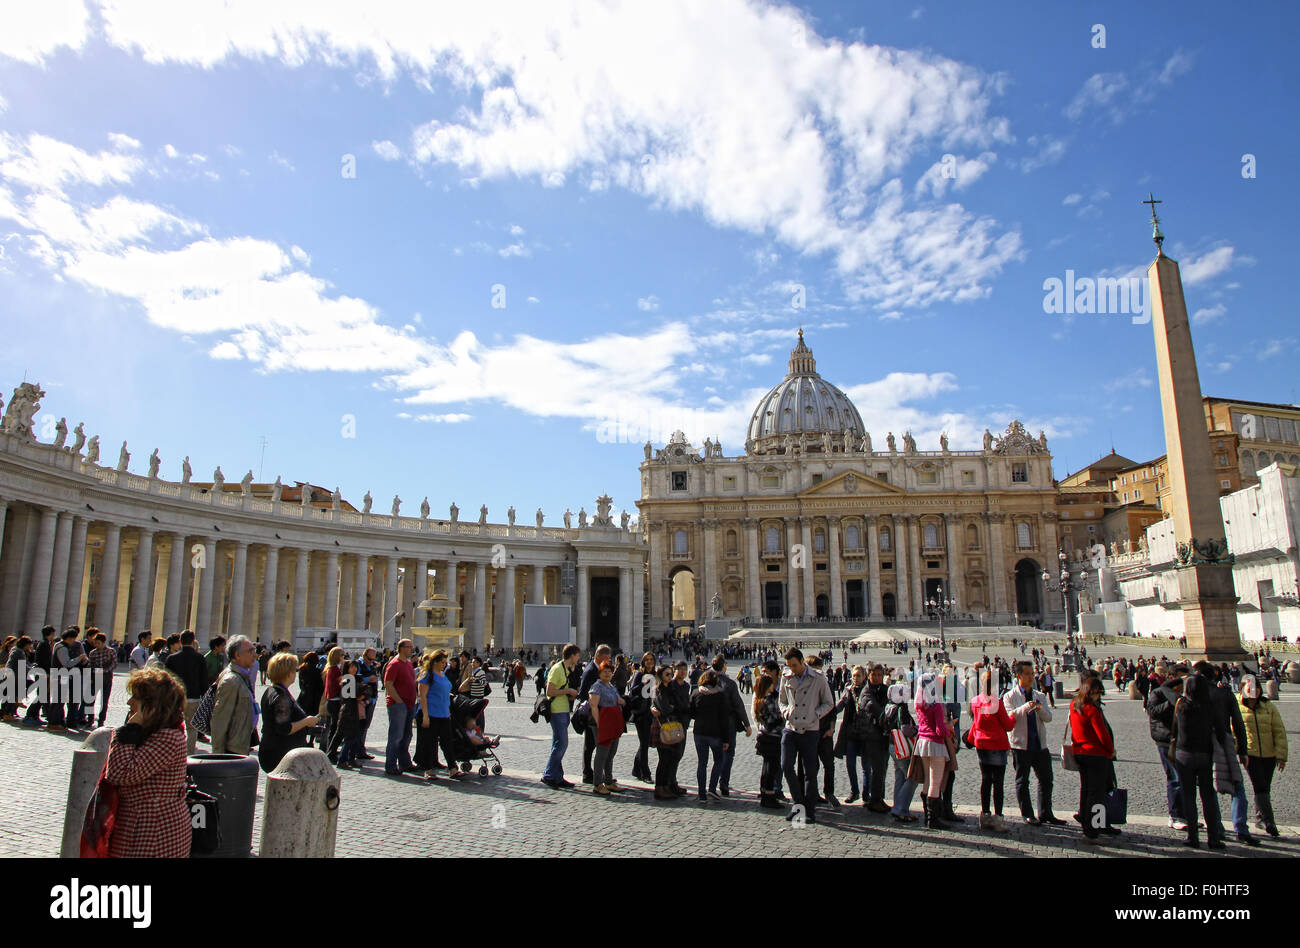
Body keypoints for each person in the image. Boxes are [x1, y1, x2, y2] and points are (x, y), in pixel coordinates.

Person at [103, 667, 191, 857]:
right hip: (139, 824)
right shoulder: (155, 732)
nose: (129, 702)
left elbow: (119, 773)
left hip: (153, 829)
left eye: (135, 697)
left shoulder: (168, 738)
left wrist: (129, 730)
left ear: (152, 705)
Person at [1195, 661, 1258, 846]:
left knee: (1208, 788)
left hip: (1204, 746)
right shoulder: (1225, 693)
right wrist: (1243, 750)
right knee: (1237, 785)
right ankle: (1241, 829)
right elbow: (1238, 723)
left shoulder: (1193, 696)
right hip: (1225, 742)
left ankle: (1217, 827)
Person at [1171, 671, 1228, 849]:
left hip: (1184, 754)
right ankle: (1213, 838)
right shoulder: (1210, 706)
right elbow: (1220, 730)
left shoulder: (1181, 705)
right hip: (1204, 754)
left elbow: (1174, 730)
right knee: (1208, 796)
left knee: (1188, 796)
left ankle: (1193, 837)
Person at [1004, 659, 1064, 826]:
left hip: (1039, 744)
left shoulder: (1040, 696)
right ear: (1019, 676)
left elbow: (1048, 718)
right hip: (1020, 745)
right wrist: (1025, 707)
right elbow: (1010, 717)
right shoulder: (1009, 696)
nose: (1032, 677)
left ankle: (1046, 813)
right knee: (1022, 781)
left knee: (1046, 779)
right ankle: (1028, 814)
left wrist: (1041, 709)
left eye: (1032, 674)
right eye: (1028, 674)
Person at [778, 647, 834, 824]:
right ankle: (798, 804)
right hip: (791, 727)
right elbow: (781, 700)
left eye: (794, 665)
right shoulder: (786, 676)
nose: (792, 669)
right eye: (789, 665)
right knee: (786, 766)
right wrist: (786, 712)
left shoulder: (818, 678)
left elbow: (829, 703)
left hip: (810, 729)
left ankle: (808, 811)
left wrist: (814, 715)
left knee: (810, 772)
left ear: (802, 661)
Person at [1237, 673, 1287, 838]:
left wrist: (1281, 756)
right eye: (1249, 688)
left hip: (1269, 754)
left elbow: (1279, 731)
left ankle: (1260, 816)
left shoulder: (1268, 706)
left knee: (1265, 786)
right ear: (1243, 689)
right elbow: (1233, 730)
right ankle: (1268, 821)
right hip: (1251, 754)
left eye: (1256, 688)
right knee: (1260, 786)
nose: (1253, 691)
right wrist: (1240, 751)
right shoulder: (1237, 706)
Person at [1069, 676, 1116, 844]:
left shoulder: (1074, 705)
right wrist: (1111, 751)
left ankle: (1086, 825)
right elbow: (1102, 734)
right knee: (1096, 795)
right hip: (1096, 755)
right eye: (1098, 693)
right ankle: (1092, 832)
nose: (1099, 697)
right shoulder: (1092, 710)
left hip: (1080, 753)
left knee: (1086, 790)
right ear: (1092, 692)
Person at [969, 666, 1016, 832]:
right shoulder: (997, 702)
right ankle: (998, 818)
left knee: (985, 780)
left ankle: (985, 816)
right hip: (996, 744)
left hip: (981, 744)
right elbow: (1008, 725)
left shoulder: (975, 701)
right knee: (998, 783)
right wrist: (1014, 715)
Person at [258, 652, 319, 772]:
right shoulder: (281, 697)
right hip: (280, 753)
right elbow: (284, 728)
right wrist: (306, 721)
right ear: (288, 673)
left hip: (274, 749)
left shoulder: (271, 690)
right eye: (294, 670)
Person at [1146, 664, 1187, 830]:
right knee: (1175, 777)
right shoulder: (1157, 693)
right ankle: (1176, 815)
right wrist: (1172, 703)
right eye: (1181, 678)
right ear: (1171, 678)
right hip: (1166, 741)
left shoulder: (1184, 695)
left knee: (1185, 779)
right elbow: (1153, 712)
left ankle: (1186, 815)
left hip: (1183, 741)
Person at [913, 670, 953, 829]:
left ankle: (927, 816)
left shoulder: (918, 703)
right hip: (935, 744)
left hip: (922, 743)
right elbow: (940, 731)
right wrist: (948, 729)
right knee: (935, 783)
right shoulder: (935, 705)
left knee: (927, 782)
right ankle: (932, 819)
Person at [209, 635, 260, 755]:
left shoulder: (242, 676)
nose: (255, 654)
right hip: (232, 751)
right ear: (237, 655)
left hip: (239, 746)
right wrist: (219, 757)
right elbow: (219, 721)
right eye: (250, 651)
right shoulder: (231, 680)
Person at [541, 645, 582, 789]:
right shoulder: (557, 669)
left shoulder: (566, 669)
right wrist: (568, 690)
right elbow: (550, 691)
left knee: (557, 744)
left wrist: (570, 694)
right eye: (577, 655)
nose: (578, 658)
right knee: (562, 744)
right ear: (572, 655)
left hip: (563, 710)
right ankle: (548, 775)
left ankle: (558, 777)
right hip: (556, 710)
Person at [414, 649, 458, 781]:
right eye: (442, 662)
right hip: (430, 713)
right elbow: (422, 697)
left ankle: (453, 768)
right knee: (430, 743)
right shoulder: (426, 675)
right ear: (435, 662)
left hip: (444, 713)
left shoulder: (442, 674)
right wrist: (425, 716)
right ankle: (428, 769)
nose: (445, 665)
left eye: (445, 662)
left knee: (447, 742)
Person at [689, 669, 730, 803]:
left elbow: (692, 713)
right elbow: (724, 718)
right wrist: (726, 739)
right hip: (716, 733)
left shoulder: (696, 693)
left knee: (702, 763)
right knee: (718, 761)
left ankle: (701, 794)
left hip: (699, 732)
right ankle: (712, 788)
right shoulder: (720, 695)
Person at [164, 630, 208, 754]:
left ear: (180, 641)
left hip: (176, 698)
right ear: (193, 641)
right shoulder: (199, 658)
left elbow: (167, 679)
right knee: (192, 728)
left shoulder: (171, 658)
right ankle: (189, 754)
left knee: (173, 726)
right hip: (194, 698)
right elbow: (203, 679)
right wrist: (205, 697)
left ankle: (173, 752)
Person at [712, 655, 751, 796]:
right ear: (724, 666)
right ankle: (723, 783)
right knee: (728, 754)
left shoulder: (705, 681)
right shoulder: (729, 683)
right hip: (728, 724)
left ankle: (711, 785)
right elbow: (739, 706)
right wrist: (747, 724)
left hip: (711, 724)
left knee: (715, 755)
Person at [588, 659, 627, 795]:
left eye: (610, 672)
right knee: (602, 754)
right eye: (605, 672)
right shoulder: (597, 686)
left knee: (611, 753)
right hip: (603, 723)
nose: (608, 674)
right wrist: (600, 724)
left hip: (614, 723)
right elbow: (593, 705)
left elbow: (617, 699)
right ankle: (597, 784)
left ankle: (609, 782)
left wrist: (620, 700)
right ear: (599, 673)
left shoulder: (611, 686)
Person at [883, 682, 920, 823]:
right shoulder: (901, 708)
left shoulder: (888, 706)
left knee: (900, 776)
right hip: (901, 745)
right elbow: (905, 729)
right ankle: (900, 809)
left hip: (892, 745)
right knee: (912, 778)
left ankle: (898, 807)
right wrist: (917, 729)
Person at [651, 665, 689, 800]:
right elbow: (666, 708)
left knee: (670, 758)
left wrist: (672, 707)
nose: (669, 677)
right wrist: (672, 707)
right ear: (661, 676)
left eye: (670, 674)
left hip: (672, 726)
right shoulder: (658, 689)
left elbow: (676, 705)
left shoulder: (670, 689)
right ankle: (659, 788)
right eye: (667, 674)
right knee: (663, 759)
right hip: (664, 727)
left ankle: (666, 786)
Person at [577, 644, 613, 784]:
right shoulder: (590, 671)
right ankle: (587, 773)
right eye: (607, 658)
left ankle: (593, 772)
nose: (609, 661)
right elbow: (584, 693)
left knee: (594, 744)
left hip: (600, 712)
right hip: (592, 713)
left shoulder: (599, 669)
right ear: (598, 656)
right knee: (590, 744)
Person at [383, 639, 418, 776]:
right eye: (409, 647)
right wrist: (399, 701)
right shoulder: (394, 664)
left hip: (409, 704)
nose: (412, 649)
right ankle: (391, 765)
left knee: (406, 735)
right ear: (402, 648)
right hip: (398, 705)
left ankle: (405, 763)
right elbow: (388, 684)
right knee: (396, 736)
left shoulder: (408, 663)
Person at [753, 673, 785, 809]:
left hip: (764, 737)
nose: (774, 685)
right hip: (773, 737)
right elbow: (775, 719)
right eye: (772, 683)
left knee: (766, 768)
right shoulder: (769, 700)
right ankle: (770, 797)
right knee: (772, 768)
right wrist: (783, 719)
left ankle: (765, 794)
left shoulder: (759, 700)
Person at [626, 653, 657, 783]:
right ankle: (646, 773)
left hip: (651, 712)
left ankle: (636, 769)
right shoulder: (639, 674)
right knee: (644, 743)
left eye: (651, 660)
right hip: (640, 713)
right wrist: (645, 684)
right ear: (643, 662)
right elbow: (633, 691)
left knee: (644, 743)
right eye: (647, 660)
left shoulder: (655, 675)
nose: (649, 662)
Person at [321, 647, 346, 763]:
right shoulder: (335, 670)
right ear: (337, 656)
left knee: (333, 728)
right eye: (342, 655)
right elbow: (337, 687)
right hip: (335, 702)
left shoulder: (330, 668)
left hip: (331, 701)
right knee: (337, 729)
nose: (344, 657)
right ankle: (331, 753)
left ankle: (330, 751)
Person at [1, 636, 34, 720]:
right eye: (29, 645)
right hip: (14, 676)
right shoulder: (19, 652)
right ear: (25, 644)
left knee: (8, 695)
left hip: (10, 674)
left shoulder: (15, 649)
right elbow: (22, 665)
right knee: (11, 695)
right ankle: (7, 714)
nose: (30, 647)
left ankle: (7, 713)